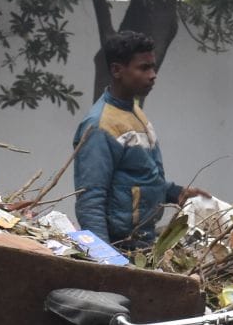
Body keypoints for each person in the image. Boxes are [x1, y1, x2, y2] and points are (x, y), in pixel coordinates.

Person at [72, 30, 207, 249]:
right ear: (117, 70)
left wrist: (176, 192)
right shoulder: (99, 126)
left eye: (153, 67)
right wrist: (104, 259)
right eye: (144, 68)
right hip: (120, 246)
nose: (153, 74)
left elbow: (139, 177)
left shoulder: (135, 112)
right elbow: (90, 201)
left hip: (144, 243)